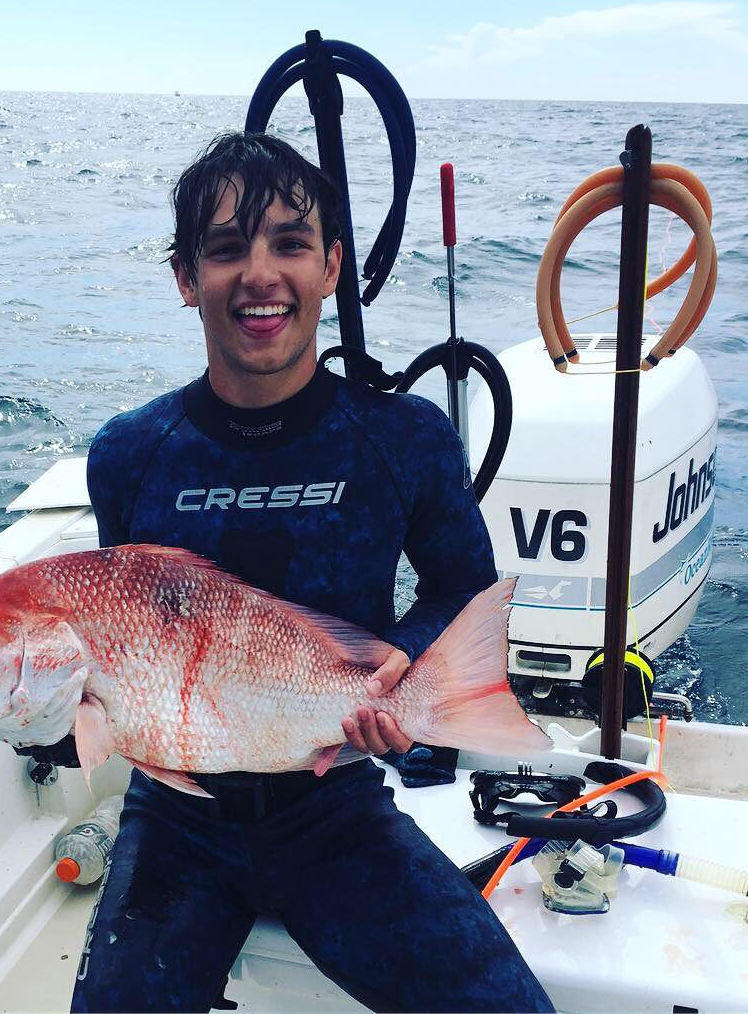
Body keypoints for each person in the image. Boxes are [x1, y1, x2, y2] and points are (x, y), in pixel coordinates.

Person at [64, 132, 553, 1013]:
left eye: (290, 242)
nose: (259, 273)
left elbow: (461, 592)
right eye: (225, 249)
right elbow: (114, 642)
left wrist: (398, 665)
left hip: (335, 812)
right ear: (185, 277)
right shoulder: (130, 455)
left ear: (331, 266)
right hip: (175, 824)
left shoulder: (402, 439)